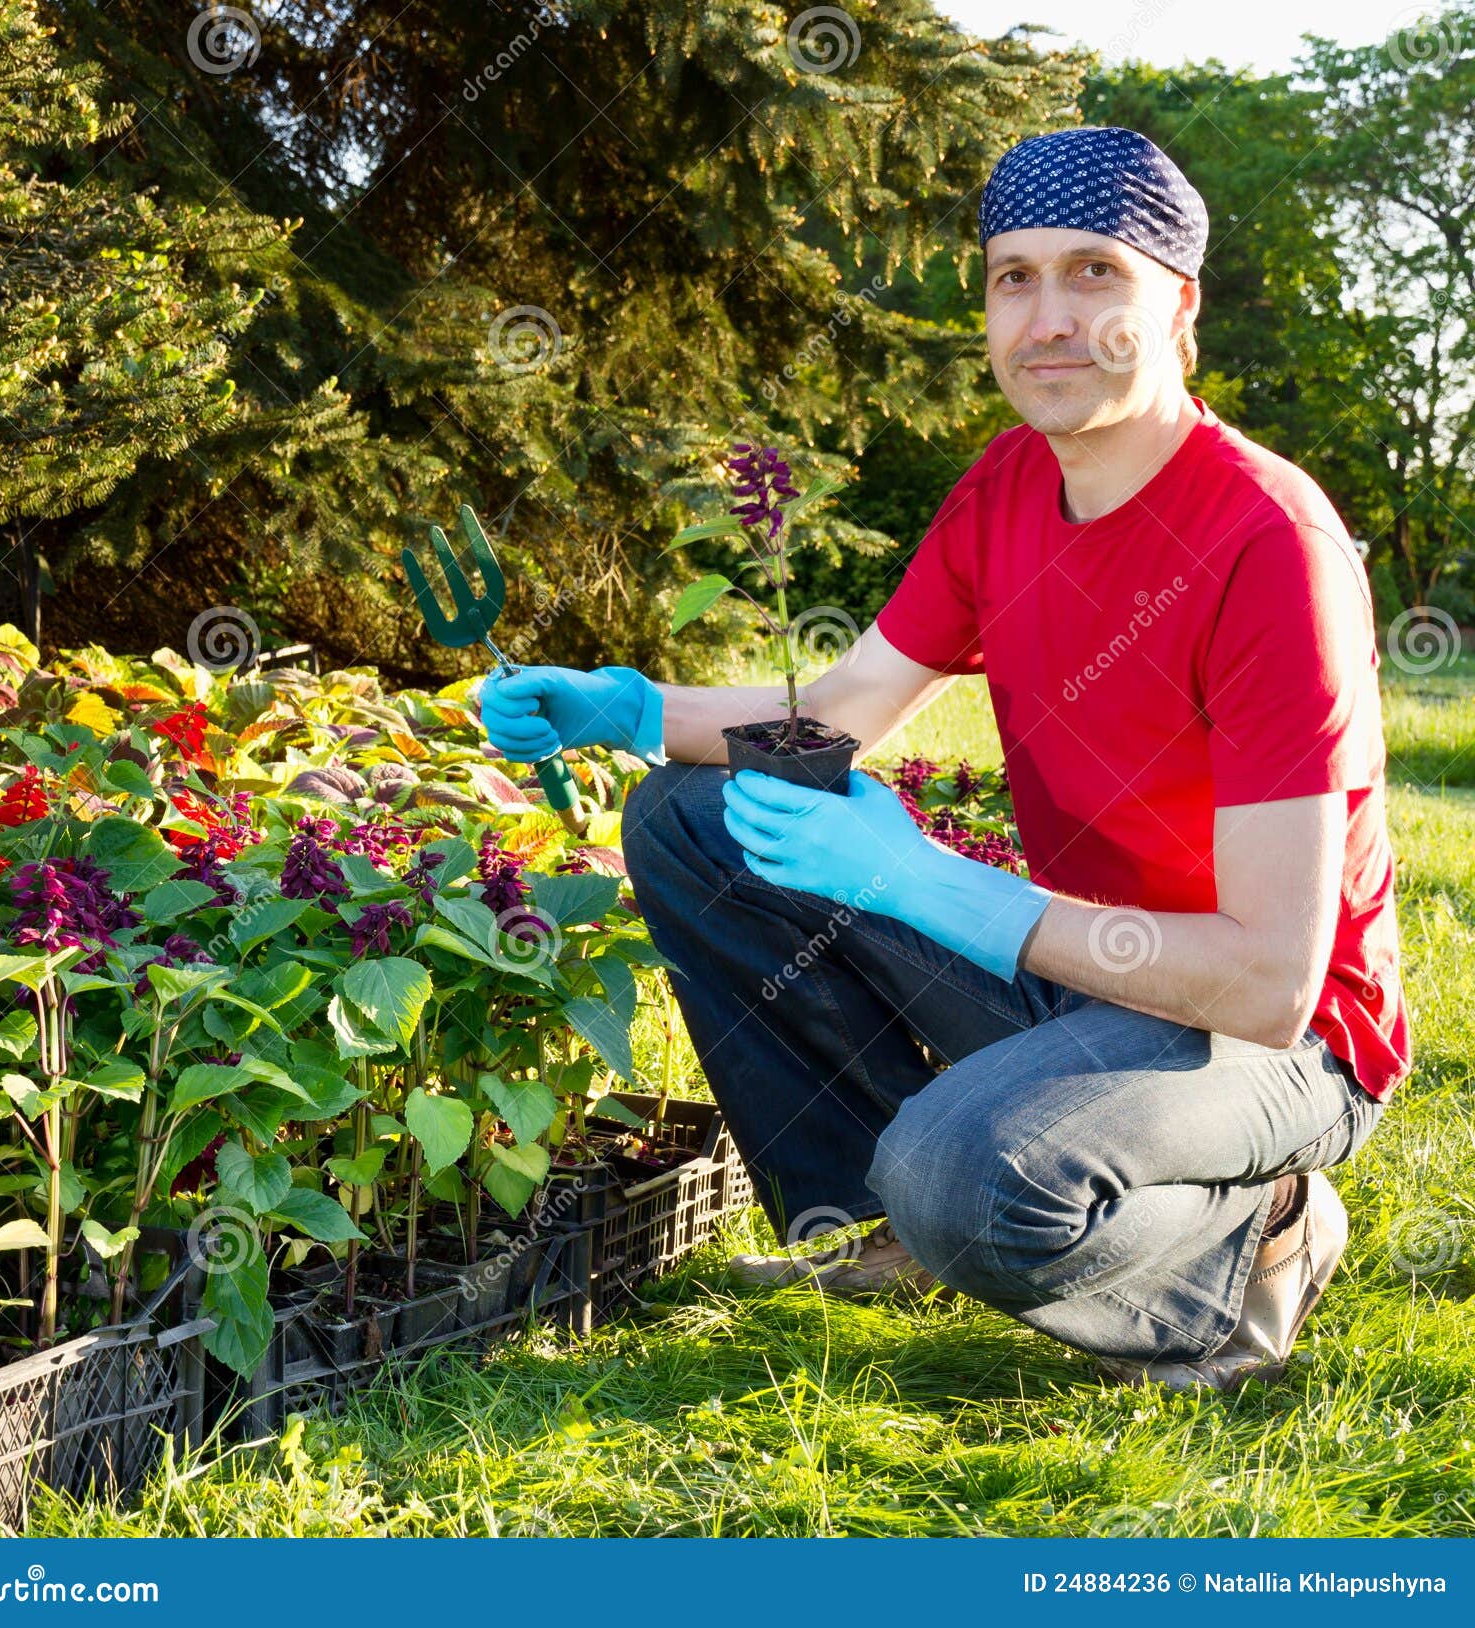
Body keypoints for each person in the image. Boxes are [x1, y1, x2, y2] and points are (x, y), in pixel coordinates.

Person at [475, 127, 1411, 1392]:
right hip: (1087, 976)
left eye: (1093, 273)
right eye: (1011, 277)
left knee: (960, 1174)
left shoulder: (1267, 545)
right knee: (695, 817)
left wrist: (921, 883)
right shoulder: (1006, 488)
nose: (1047, 319)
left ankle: (1250, 1240)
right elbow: (846, 704)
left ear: (1177, 301)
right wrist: (631, 709)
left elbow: (1265, 981)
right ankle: (871, 1227)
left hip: (1277, 1043)